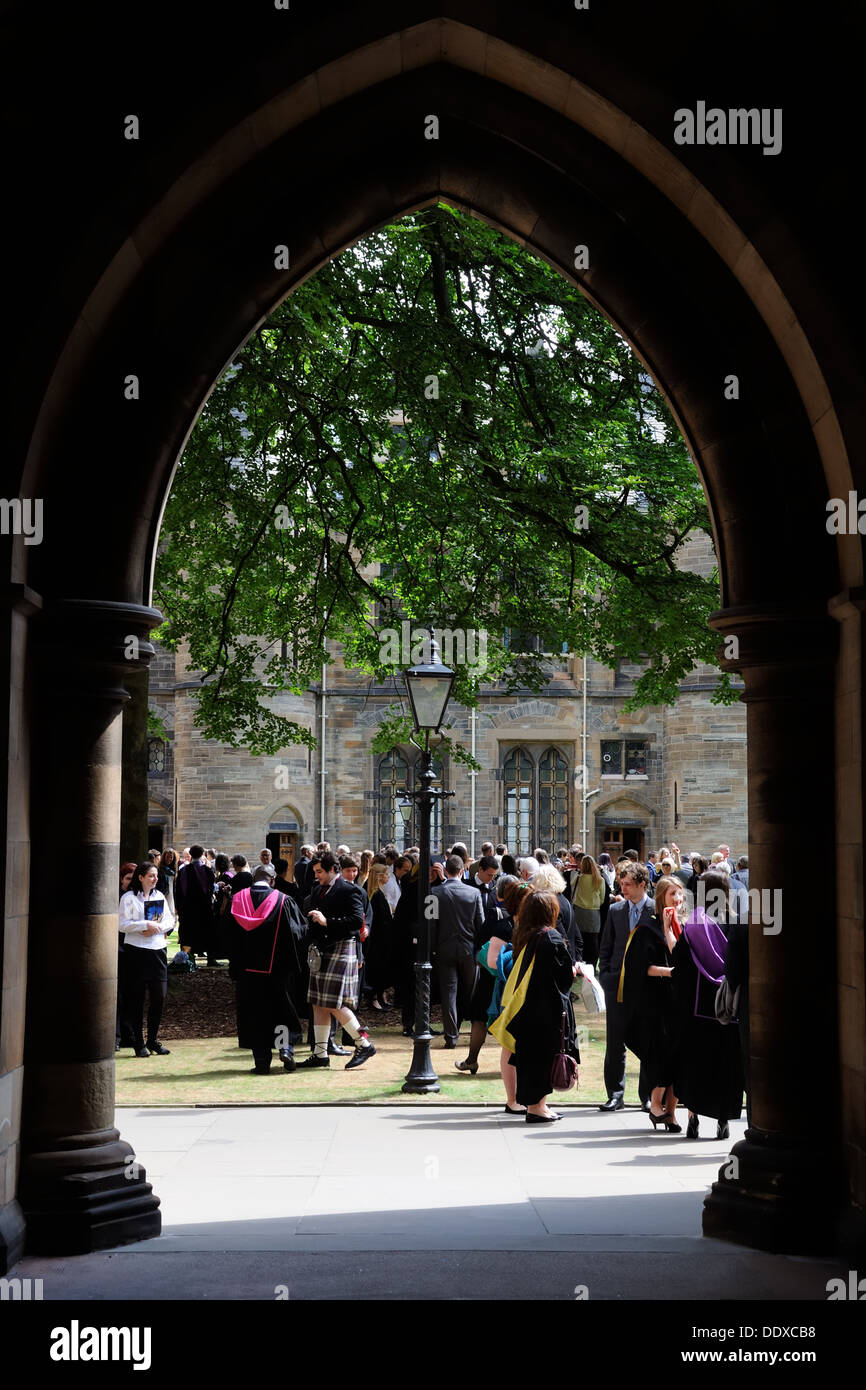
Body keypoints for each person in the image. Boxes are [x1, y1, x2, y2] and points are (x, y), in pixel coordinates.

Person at [489, 890, 579, 1123]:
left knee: (530, 1057)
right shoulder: (551, 938)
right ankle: (537, 1108)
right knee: (542, 1058)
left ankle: (537, 1105)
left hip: (528, 1009)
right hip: (546, 1011)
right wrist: (575, 971)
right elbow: (562, 978)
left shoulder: (526, 935)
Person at [670, 870, 745, 1139]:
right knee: (725, 1064)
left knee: (695, 1064)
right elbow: (739, 966)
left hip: (696, 1008)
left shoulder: (693, 925)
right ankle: (723, 1120)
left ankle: (693, 1118)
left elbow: (679, 966)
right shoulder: (736, 923)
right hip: (727, 1010)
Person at [298, 851, 376, 1070]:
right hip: (321, 951)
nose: (317, 876)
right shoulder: (317, 890)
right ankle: (320, 1054)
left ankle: (364, 1042)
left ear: (333, 869)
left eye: (320, 871)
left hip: (342, 947)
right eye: (315, 872)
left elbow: (355, 921)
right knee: (319, 1003)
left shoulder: (350, 890)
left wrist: (326, 922)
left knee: (334, 1003)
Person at [228, 866, 307, 1074]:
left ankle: (262, 1063)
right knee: (280, 1012)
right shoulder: (283, 901)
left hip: (247, 973)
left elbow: (227, 937)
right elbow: (298, 933)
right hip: (278, 971)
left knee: (255, 1016)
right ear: (273, 880)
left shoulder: (237, 900)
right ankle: (285, 1049)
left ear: (253, 879)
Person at [621, 875, 683, 1132]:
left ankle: (672, 1112)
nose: (677, 900)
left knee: (677, 1057)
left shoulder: (681, 927)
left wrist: (672, 929)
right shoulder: (647, 929)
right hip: (654, 1004)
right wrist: (669, 972)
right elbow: (640, 968)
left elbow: (679, 956)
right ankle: (655, 1105)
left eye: (680, 895)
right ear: (661, 897)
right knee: (659, 1055)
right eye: (672, 895)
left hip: (676, 1003)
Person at [597, 863, 653, 1111]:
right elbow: (606, 945)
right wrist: (606, 975)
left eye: (628, 884)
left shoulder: (655, 909)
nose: (624, 888)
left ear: (643, 884)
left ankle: (648, 1096)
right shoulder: (615, 910)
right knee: (615, 1041)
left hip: (646, 987)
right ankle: (615, 1094)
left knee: (647, 1041)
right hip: (616, 986)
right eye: (621, 884)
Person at [485, 878, 533, 1111]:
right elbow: (492, 961)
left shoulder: (534, 927)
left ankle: (527, 1096)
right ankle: (512, 1099)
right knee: (510, 1044)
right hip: (510, 992)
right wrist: (514, 957)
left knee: (528, 1045)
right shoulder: (504, 927)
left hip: (531, 991)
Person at [119, 860, 174, 1057]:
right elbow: (123, 924)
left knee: (159, 996)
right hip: (136, 951)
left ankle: (153, 1039)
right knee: (136, 998)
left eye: (156, 875)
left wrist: (157, 928)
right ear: (140, 877)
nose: (155, 879)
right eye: (151, 875)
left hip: (157, 950)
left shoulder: (159, 896)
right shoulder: (128, 898)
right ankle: (138, 1043)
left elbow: (169, 920)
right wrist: (143, 925)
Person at [430, 854, 484, 1050]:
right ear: (462, 871)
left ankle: (451, 1036)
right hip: (469, 950)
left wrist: (433, 949)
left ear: (445, 871)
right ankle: (464, 1029)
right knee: (467, 992)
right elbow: (481, 924)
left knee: (448, 993)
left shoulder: (434, 892)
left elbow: (430, 925)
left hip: (444, 950)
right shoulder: (474, 893)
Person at [174, 844, 216, 965]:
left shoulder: (183, 871)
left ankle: (186, 958)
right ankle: (210, 959)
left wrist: (179, 907)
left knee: (187, 933)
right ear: (202, 854)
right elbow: (210, 889)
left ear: (190, 855)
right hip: (204, 907)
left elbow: (179, 891)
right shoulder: (208, 871)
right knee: (207, 932)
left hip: (188, 907)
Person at [363, 861, 395, 1011]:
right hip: (378, 939)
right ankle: (374, 997)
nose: (388, 877)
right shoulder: (376, 895)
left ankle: (380, 996)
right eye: (386, 874)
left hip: (378, 938)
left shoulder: (376, 893)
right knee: (377, 968)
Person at [568, 855, 609, 969]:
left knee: (579, 939)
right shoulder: (599, 880)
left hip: (579, 911)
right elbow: (602, 898)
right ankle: (593, 964)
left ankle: (579, 962)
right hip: (593, 912)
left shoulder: (578, 878)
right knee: (593, 940)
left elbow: (572, 891)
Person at [160, 847, 178, 913]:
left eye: (171, 857)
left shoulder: (174, 869)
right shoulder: (160, 869)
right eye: (167, 857)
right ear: (163, 857)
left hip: (171, 894)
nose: (169, 859)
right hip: (163, 894)